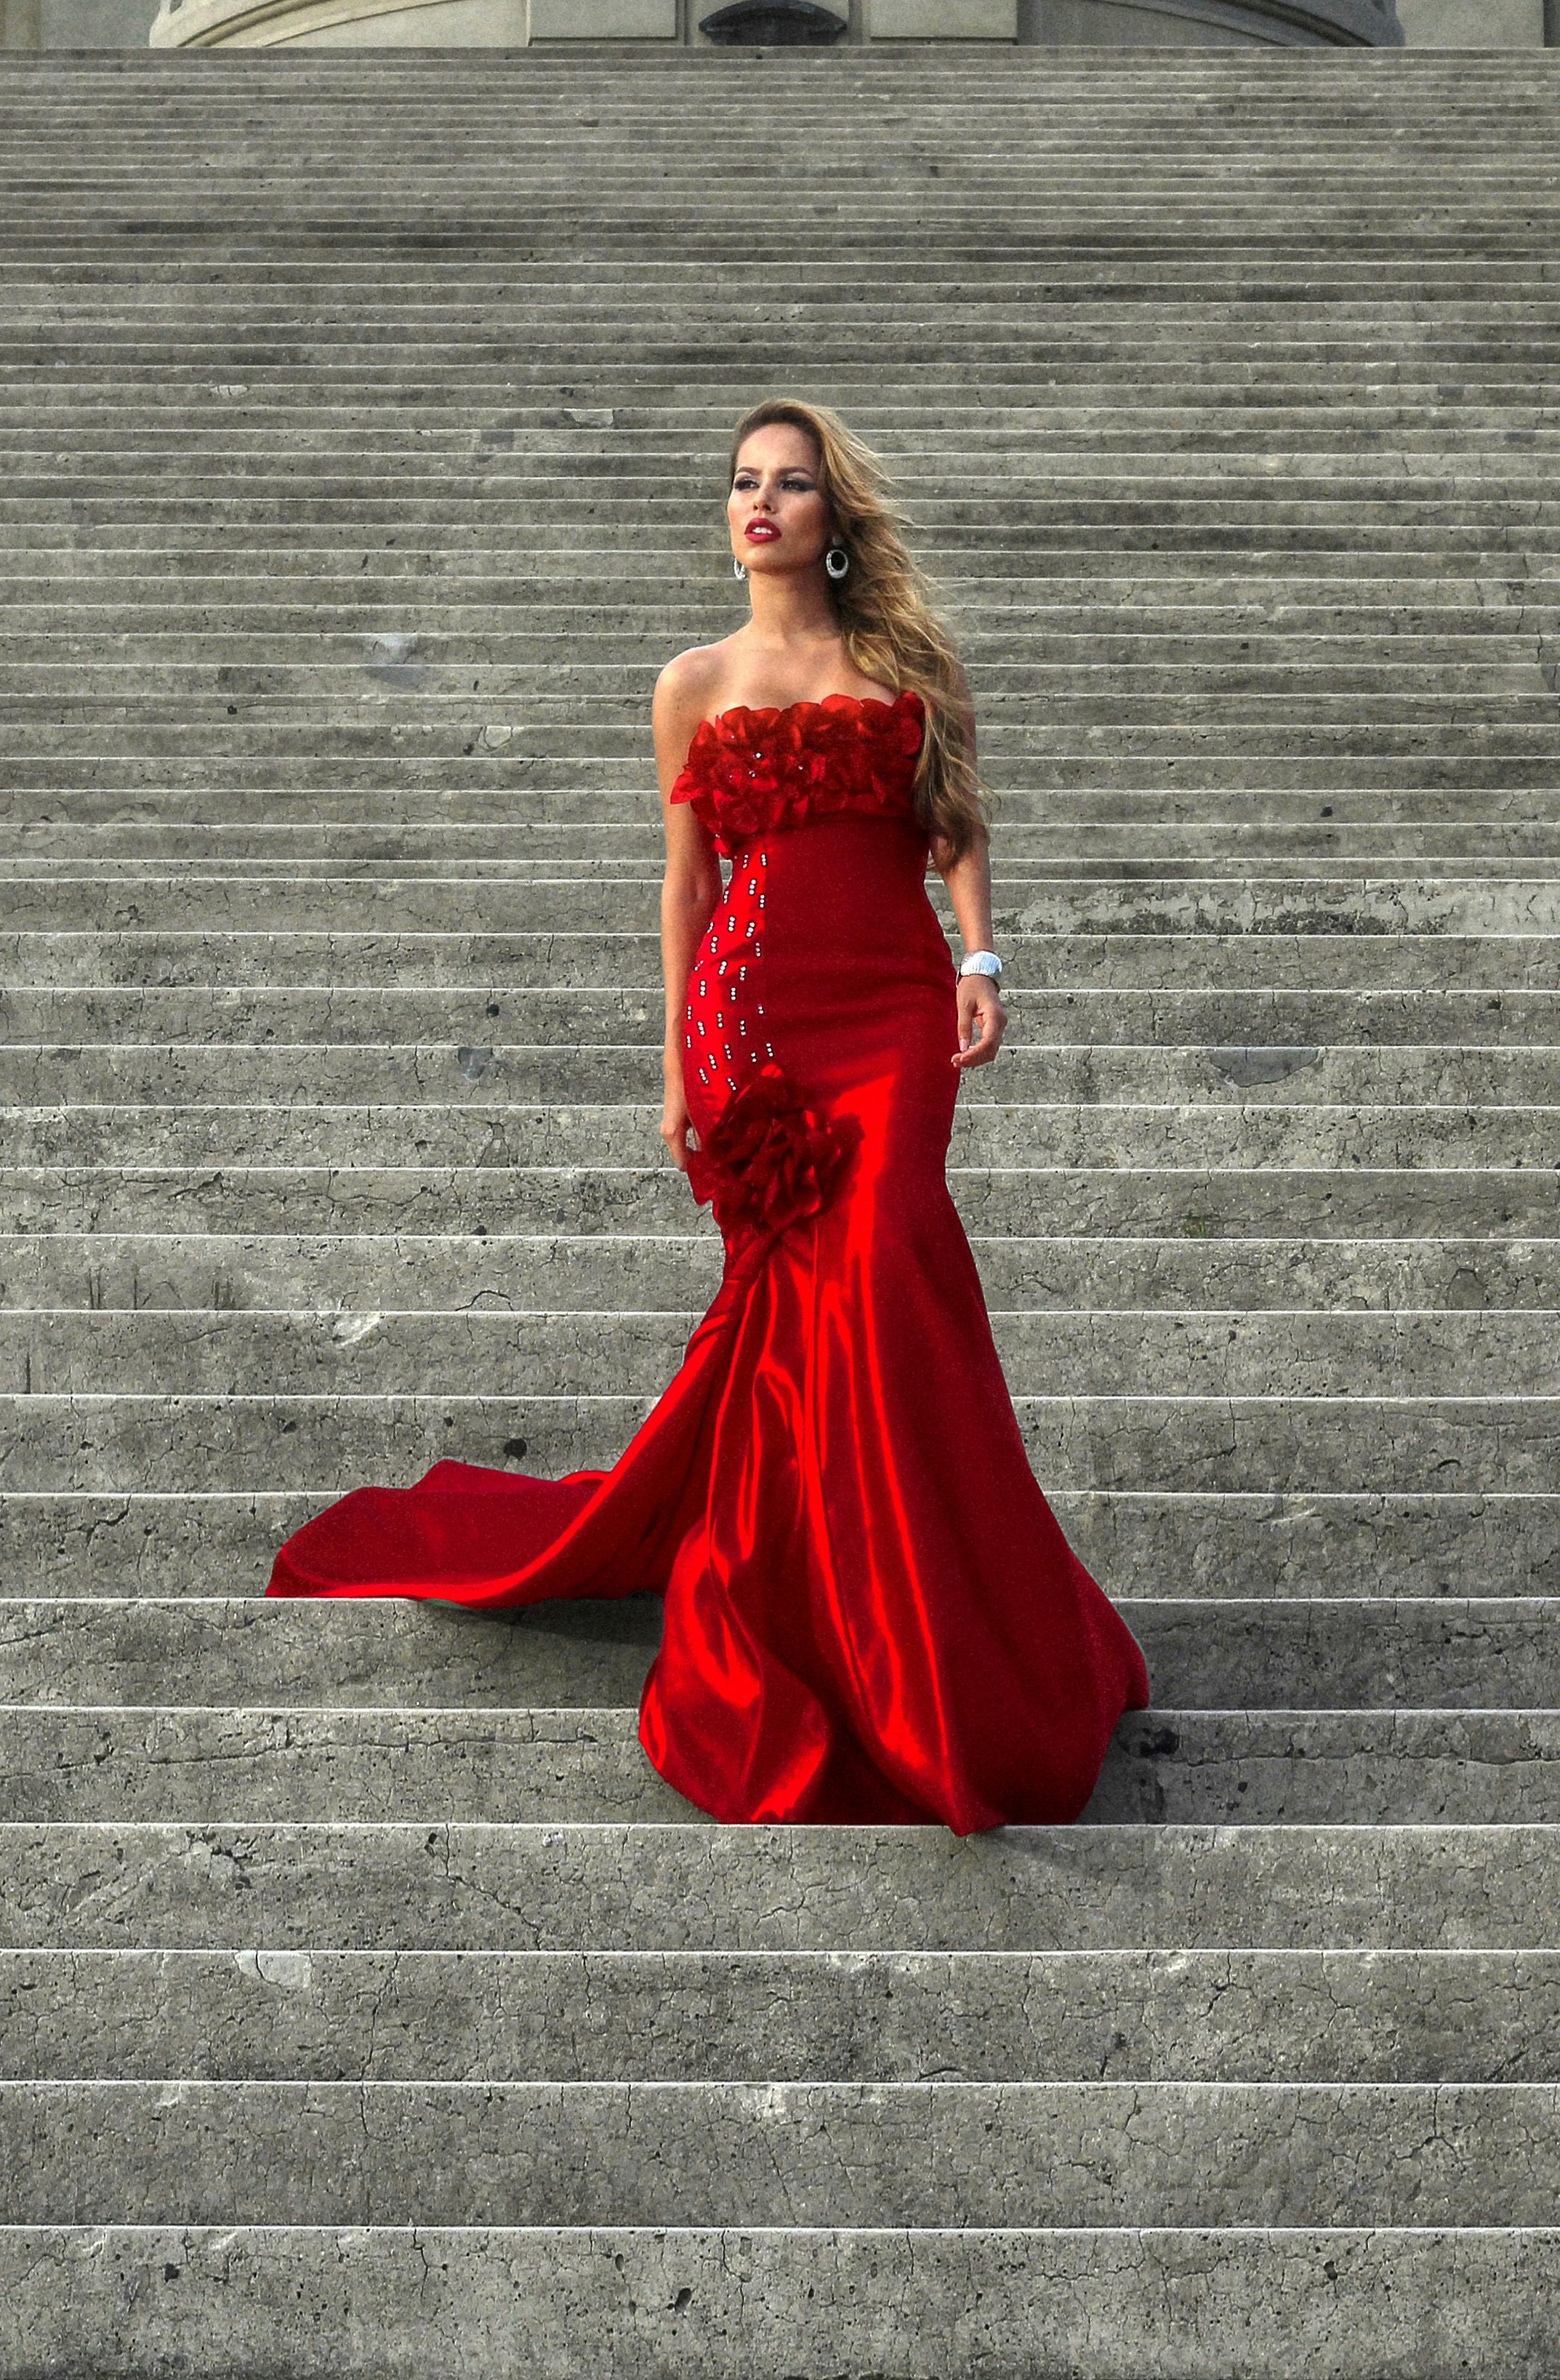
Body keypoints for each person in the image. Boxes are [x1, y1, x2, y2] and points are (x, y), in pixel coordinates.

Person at [268, 396, 1150, 1830]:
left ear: (831, 518)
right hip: (756, 1025)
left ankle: (946, 1620)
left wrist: (981, 956)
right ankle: (825, 1603)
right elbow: (684, 887)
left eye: (789, 485)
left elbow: (958, 823)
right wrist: (679, 1059)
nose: (759, 505)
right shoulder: (688, 683)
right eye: (742, 483)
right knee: (808, 1306)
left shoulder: (908, 662)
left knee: (890, 1263)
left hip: (892, 1013)